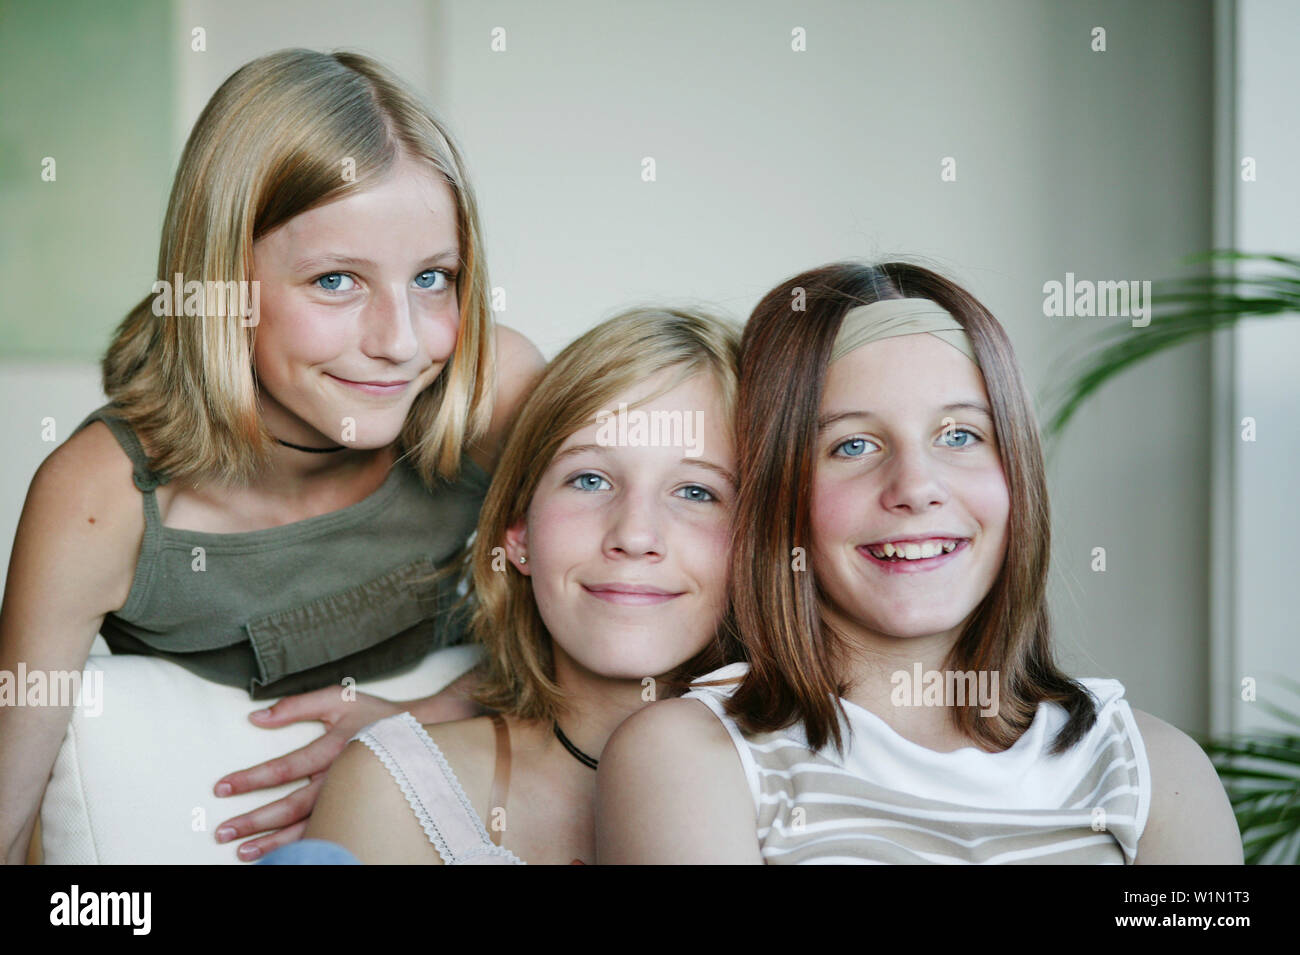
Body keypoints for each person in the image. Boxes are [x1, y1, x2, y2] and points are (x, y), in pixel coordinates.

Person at [0, 48, 545, 865]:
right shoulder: (101, 498)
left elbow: (638, 616)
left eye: (433, 278)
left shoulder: (489, 395)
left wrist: (427, 717)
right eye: (335, 281)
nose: (400, 343)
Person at [596, 261, 1243, 864]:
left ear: (1016, 472)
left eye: (960, 434)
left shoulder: (1154, 771)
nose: (915, 485)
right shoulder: (688, 757)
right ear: (778, 495)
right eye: (852, 444)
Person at [271, 306, 741, 864]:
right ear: (518, 533)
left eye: (696, 493)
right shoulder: (395, 784)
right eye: (589, 479)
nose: (635, 535)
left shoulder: (822, 774)